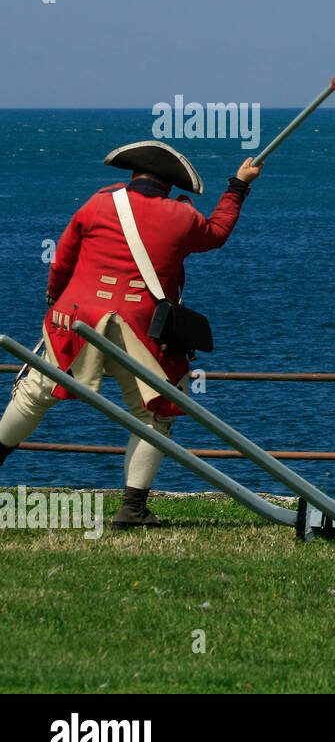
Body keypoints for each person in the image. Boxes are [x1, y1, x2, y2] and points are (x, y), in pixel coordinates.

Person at [0, 141, 263, 528]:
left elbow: (62, 262)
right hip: (140, 330)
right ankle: (132, 509)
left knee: (32, 397)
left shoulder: (97, 203)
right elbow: (218, 231)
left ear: (132, 175)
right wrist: (238, 185)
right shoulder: (181, 216)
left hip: (76, 319)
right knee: (154, 413)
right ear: (171, 185)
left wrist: (56, 299)